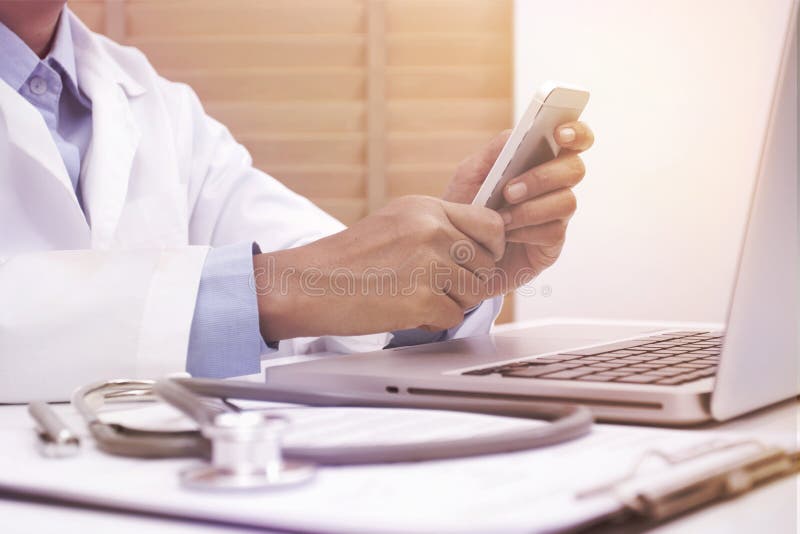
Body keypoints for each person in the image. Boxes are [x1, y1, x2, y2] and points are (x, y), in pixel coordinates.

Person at [0, 2, 593, 397]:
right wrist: (271, 289)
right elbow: (293, 280)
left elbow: (326, 269)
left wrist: (453, 266)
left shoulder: (152, 99)